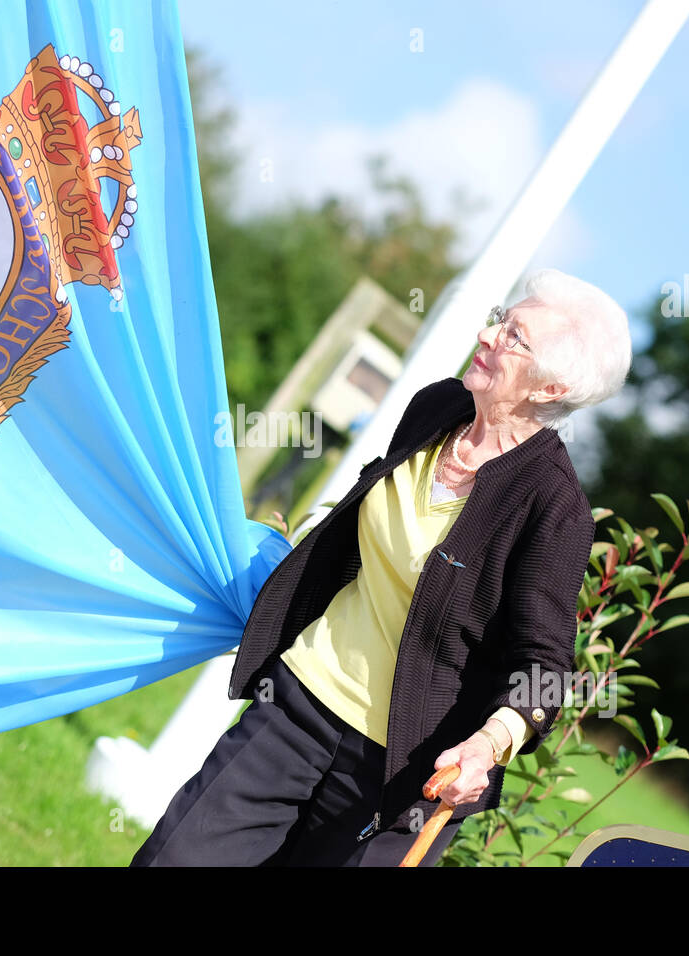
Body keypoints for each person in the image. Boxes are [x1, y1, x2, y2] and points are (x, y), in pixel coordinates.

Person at [131, 268, 632, 866]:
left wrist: (487, 746)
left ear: (549, 389)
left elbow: (544, 665)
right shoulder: (437, 409)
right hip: (299, 701)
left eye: (514, 336)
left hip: (403, 774)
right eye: (500, 320)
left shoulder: (553, 508)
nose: (488, 334)